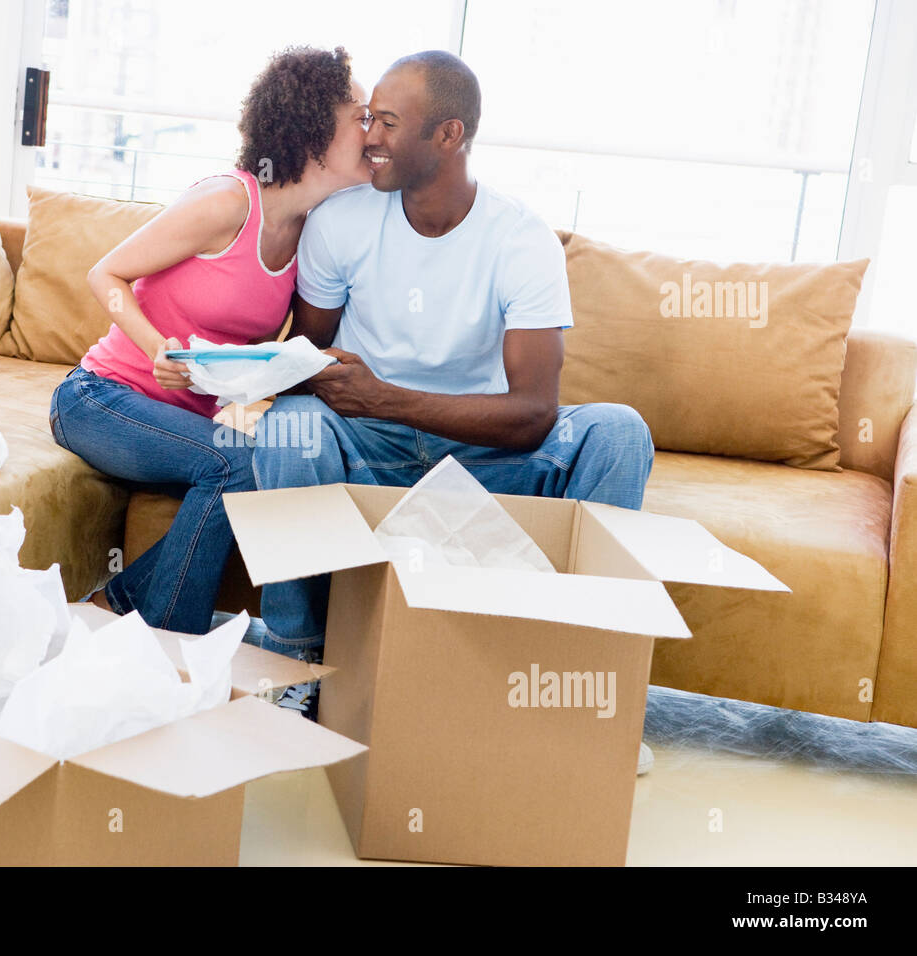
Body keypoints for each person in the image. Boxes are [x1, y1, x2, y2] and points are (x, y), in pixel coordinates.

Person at [253, 51, 656, 772]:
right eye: (367, 116)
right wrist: (256, 368)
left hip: (485, 457)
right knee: (288, 426)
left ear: (448, 136)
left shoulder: (518, 241)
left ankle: (585, 681)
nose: (368, 135)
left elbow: (534, 415)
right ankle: (295, 665)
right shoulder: (342, 223)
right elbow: (304, 360)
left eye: (387, 121)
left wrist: (387, 396)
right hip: (368, 446)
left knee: (620, 432)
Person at [49, 46, 374, 634]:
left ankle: (116, 604)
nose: (371, 126)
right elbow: (106, 274)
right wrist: (156, 348)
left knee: (260, 457)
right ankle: (174, 639)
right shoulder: (227, 203)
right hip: (101, 399)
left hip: (190, 426)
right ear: (316, 127)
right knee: (240, 463)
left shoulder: (312, 231)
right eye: (361, 112)